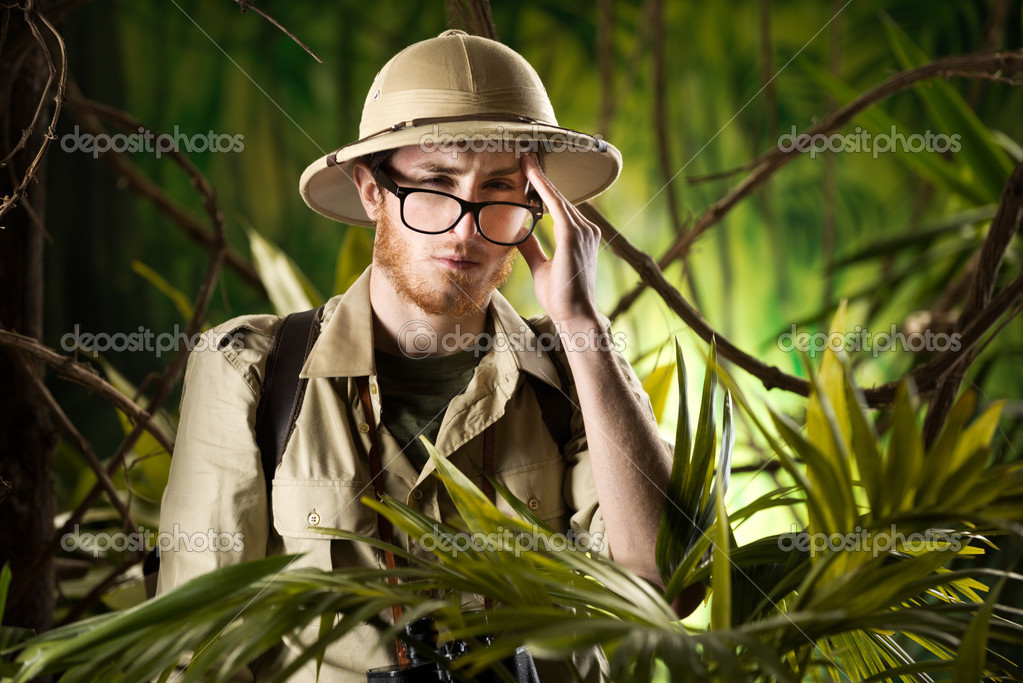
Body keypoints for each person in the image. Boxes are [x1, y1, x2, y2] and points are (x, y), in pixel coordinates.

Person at [157, 29, 673, 681]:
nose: (465, 225)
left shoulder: (577, 370)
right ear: (372, 190)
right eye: (435, 184)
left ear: (536, 204)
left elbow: (662, 583)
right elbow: (198, 653)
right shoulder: (254, 372)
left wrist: (581, 322)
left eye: (499, 190)